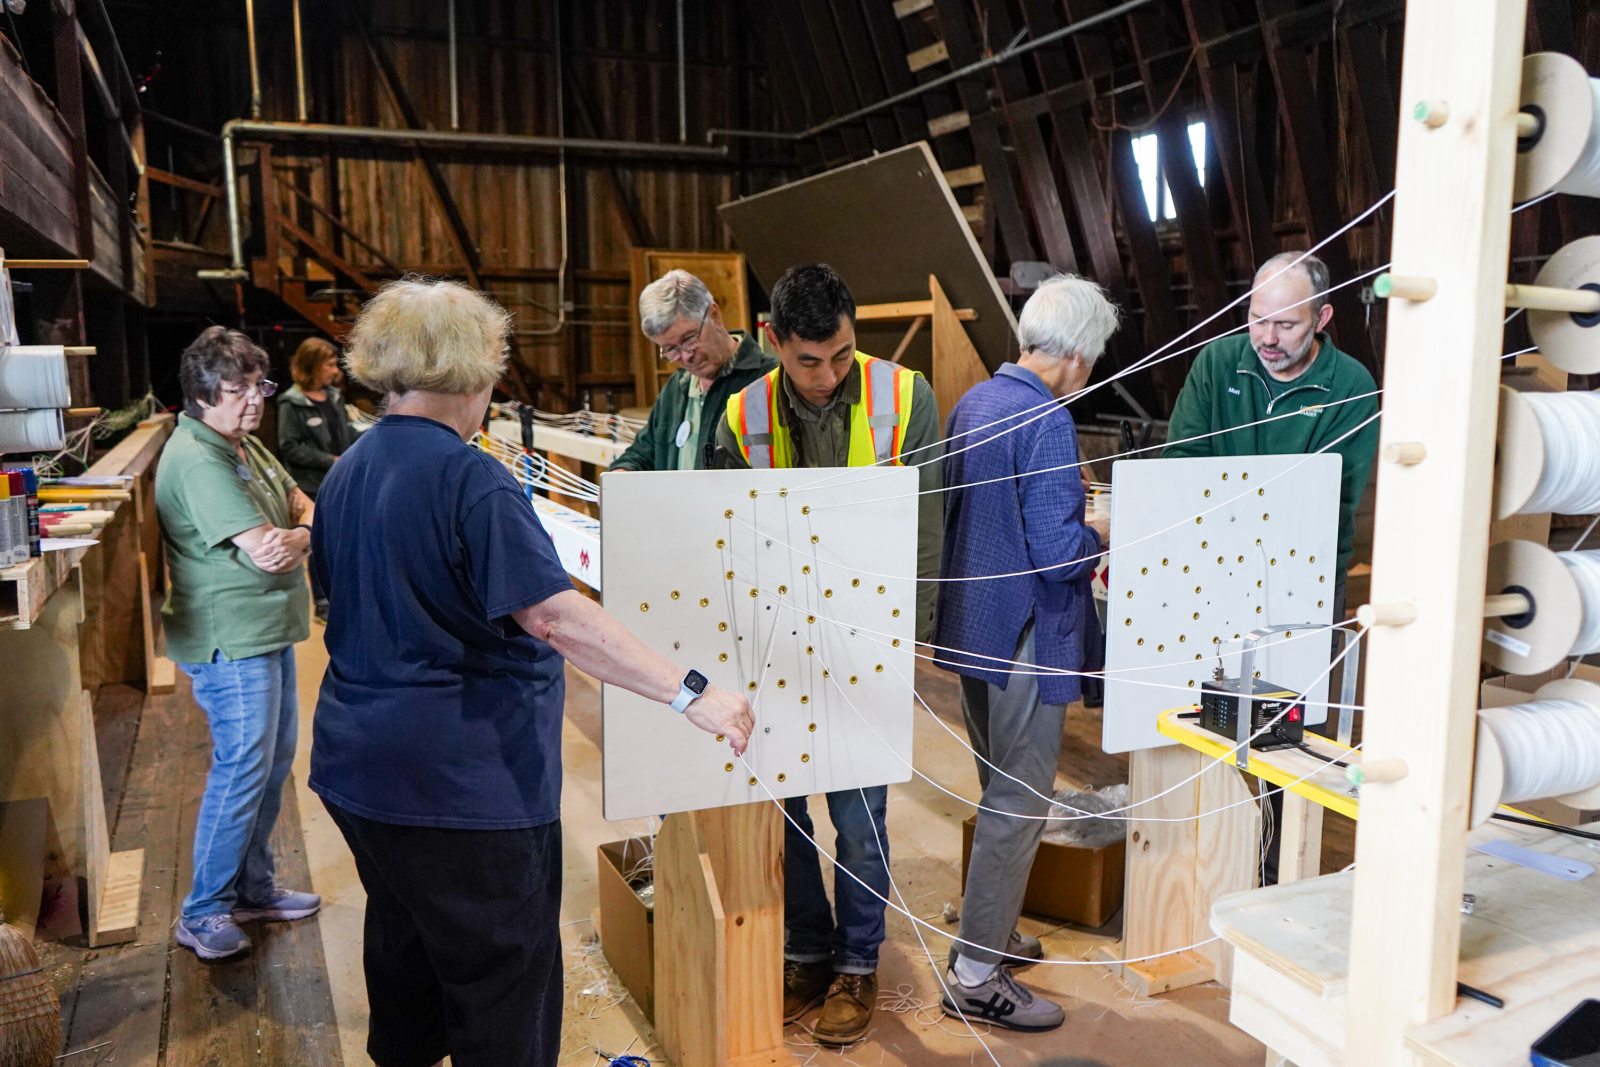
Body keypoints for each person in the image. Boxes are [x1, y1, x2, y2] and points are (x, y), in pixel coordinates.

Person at [309, 278, 754, 1067]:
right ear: (473, 374)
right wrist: (695, 692)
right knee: (501, 987)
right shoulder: (470, 477)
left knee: (406, 951)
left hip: (358, 773)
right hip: (461, 788)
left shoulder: (349, 469)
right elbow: (555, 617)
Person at [713, 263, 941, 1047]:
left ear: (854, 330)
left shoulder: (905, 397)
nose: (826, 376)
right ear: (772, 340)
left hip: (865, 641)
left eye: (840, 355)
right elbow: (722, 536)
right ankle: (805, 951)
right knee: (786, 812)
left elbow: (928, 524)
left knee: (861, 814)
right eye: (807, 360)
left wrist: (917, 631)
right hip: (772, 644)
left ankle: (857, 961)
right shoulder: (739, 414)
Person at [934, 275, 1117, 1031]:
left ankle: (995, 929)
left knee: (998, 789)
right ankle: (976, 974)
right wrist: (1104, 532)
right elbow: (1056, 553)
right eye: (1095, 358)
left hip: (975, 631)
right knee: (1018, 802)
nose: (1094, 372)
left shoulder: (974, 401)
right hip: (1023, 642)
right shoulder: (1045, 420)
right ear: (1074, 353)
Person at [1163, 251, 1380, 883]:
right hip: (1209, 569)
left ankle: (1273, 869)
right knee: (1206, 715)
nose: (1267, 338)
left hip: (1302, 581)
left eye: (1286, 325)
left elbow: (1334, 501)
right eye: (1258, 320)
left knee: (1283, 732)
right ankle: (1197, 859)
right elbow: (1183, 464)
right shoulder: (1217, 364)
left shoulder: (1350, 387)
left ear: (1322, 318)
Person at [155, 326, 321, 961]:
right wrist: (302, 534)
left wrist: (301, 531)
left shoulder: (243, 445)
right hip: (232, 636)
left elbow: (302, 506)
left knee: (272, 766)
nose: (254, 401)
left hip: (267, 629)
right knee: (242, 769)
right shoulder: (199, 459)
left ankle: (254, 888)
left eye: (260, 386)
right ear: (201, 395)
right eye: (238, 389)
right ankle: (203, 910)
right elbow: (267, 555)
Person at [612, 270, 775, 471]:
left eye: (689, 339)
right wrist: (621, 472)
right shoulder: (677, 387)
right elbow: (645, 451)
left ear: (714, 315)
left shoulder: (766, 380)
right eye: (671, 349)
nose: (686, 356)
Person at [278, 336, 354, 620]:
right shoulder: (291, 402)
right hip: (312, 485)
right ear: (313, 366)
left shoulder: (334, 396)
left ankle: (341, 594)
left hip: (340, 481)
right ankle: (322, 602)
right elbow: (289, 447)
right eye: (329, 364)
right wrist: (329, 460)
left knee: (342, 542)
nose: (335, 369)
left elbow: (344, 434)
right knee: (319, 543)